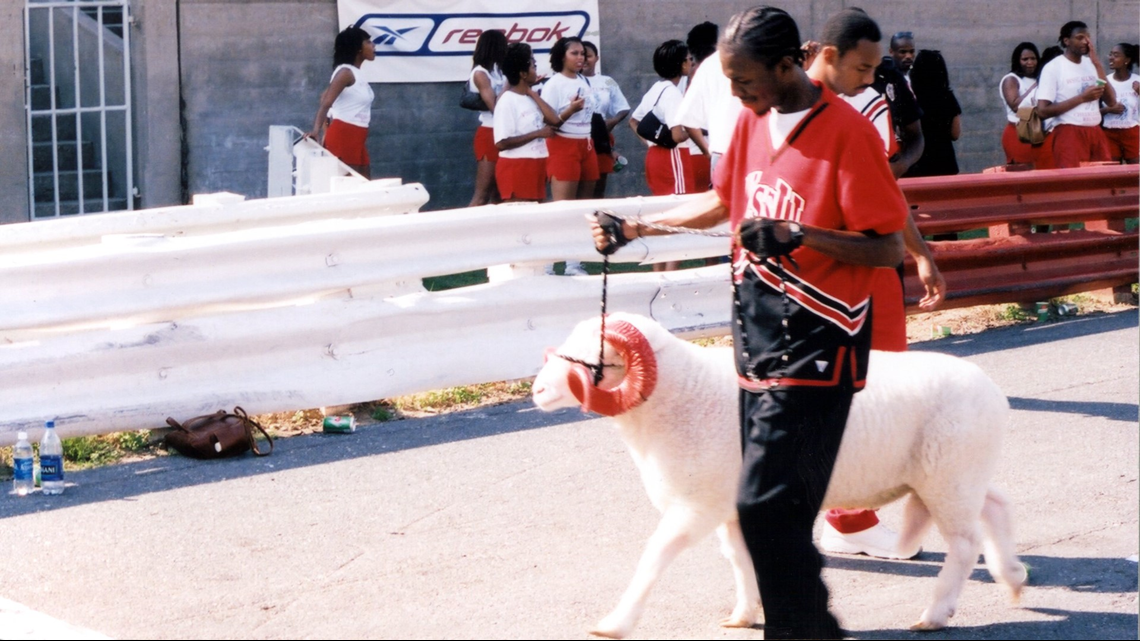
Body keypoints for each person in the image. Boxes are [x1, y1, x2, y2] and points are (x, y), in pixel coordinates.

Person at [590, 7, 908, 638]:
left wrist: (800, 234)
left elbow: (887, 248)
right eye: (728, 82)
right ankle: (809, 626)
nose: (734, 94)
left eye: (744, 81)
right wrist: (636, 227)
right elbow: (721, 204)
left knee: (766, 507)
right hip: (756, 341)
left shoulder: (846, 131)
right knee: (768, 510)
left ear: (788, 65)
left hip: (822, 346)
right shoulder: (753, 123)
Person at [805, 6, 945, 561]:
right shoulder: (791, 112)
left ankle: (845, 515)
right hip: (836, 273)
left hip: (867, 262)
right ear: (829, 55)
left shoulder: (860, 105)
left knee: (878, 393)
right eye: (864, 68)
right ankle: (847, 517)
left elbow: (883, 188)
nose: (873, 77)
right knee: (857, 397)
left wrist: (921, 254)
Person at [540, 36, 593, 276]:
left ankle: (573, 264)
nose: (580, 57)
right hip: (563, 146)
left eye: (582, 53)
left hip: (587, 145)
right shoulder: (554, 84)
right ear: (562, 56)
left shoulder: (584, 80)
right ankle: (548, 264)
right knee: (561, 210)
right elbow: (548, 121)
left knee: (582, 209)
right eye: (575, 53)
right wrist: (570, 110)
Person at [1036, 21, 1117, 168]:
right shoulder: (1053, 67)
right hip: (1069, 132)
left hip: (1095, 131)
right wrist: (1082, 98)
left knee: (1102, 182)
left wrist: (1098, 64)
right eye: (1080, 37)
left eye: (1088, 37)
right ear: (1066, 41)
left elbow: (1111, 101)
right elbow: (1042, 111)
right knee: (1075, 183)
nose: (1086, 41)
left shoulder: (1091, 64)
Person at [492, 43, 561, 202]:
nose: (536, 68)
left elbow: (554, 120)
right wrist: (538, 133)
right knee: (519, 221)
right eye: (532, 65)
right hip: (517, 167)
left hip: (536, 164)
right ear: (523, 73)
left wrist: (531, 92)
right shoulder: (507, 101)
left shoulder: (530, 97)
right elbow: (501, 143)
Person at [307, 26, 376, 179]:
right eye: (368, 42)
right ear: (358, 48)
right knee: (349, 187)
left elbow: (324, 95)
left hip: (358, 136)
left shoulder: (356, 73)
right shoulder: (345, 73)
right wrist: (316, 131)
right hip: (344, 135)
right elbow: (326, 102)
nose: (373, 46)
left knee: (365, 184)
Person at [630, 40, 695, 197]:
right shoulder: (673, 93)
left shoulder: (657, 88)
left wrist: (653, 142)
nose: (691, 62)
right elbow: (677, 136)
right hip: (673, 156)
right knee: (680, 206)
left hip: (654, 156)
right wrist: (695, 131)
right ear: (681, 64)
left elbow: (633, 121)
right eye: (689, 59)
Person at [581, 41, 631, 198]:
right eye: (581, 55)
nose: (584, 60)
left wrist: (613, 121)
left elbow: (623, 107)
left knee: (598, 185)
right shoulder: (572, 81)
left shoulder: (607, 81)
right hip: (579, 135)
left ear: (597, 58)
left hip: (601, 137)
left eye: (588, 56)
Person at [466, 30, 509, 207]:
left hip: (504, 132)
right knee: (482, 194)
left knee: (499, 195)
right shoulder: (480, 73)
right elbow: (495, 107)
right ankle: (465, 231)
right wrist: (510, 84)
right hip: (489, 133)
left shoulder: (499, 71)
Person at [905, 50, 962, 177]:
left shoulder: (910, 98)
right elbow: (955, 134)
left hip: (916, 163)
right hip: (944, 162)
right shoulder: (947, 97)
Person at [873, 40, 924, 178]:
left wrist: (902, 164)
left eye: (911, 52)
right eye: (903, 52)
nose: (908, 56)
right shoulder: (835, 87)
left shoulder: (891, 78)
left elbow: (916, 135)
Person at [1001, 42, 1056, 168]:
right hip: (1019, 132)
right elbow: (1015, 107)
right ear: (1017, 60)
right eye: (1025, 59)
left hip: (1040, 133)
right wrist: (1037, 84)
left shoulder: (1040, 78)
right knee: (1023, 173)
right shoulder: (1011, 79)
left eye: (1033, 58)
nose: (1030, 62)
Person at [685, 22, 721, 192]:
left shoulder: (699, 70)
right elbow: (689, 120)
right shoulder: (702, 71)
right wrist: (707, 151)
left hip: (705, 144)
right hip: (703, 143)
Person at [1101, 43, 1140, 163]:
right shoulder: (1104, 82)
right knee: (1111, 173)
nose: (1111, 58)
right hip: (1109, 133)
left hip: (1132, 132)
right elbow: (1091, 110)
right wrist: (1108, 109)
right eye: (1111, 54)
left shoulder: (1137, 81)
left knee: (1135, 173)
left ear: (1127, 60)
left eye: (1116, 55)